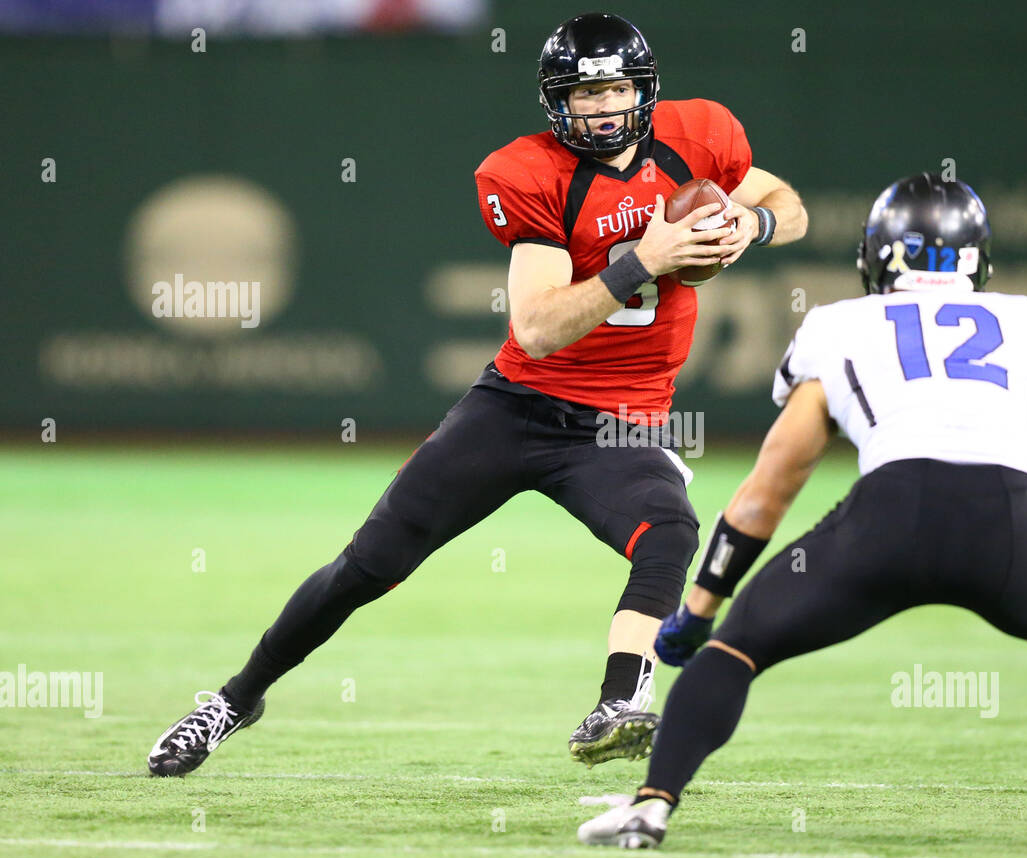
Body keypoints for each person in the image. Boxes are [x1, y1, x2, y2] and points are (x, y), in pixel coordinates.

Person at [147, 12, 807, 776]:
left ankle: (619, 704)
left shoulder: (700, 137)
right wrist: (646, 259)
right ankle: (234, 699)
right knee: (369, 565)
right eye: (583, 94)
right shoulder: (530, 173)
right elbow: (536, 328)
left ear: (645, 89)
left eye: (616, 88)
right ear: (555, 102)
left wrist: (752, 225)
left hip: (619, 423)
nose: (600, 108)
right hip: (517, 407)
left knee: (669, 533)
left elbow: (784, 201)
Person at [578, 173, 1027, 849]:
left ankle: (651, 808)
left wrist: (702, 609)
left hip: (889, 519)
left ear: (878, 252)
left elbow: (768, 490)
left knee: (739, 648)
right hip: (1012, 526)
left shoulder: (839, 325)